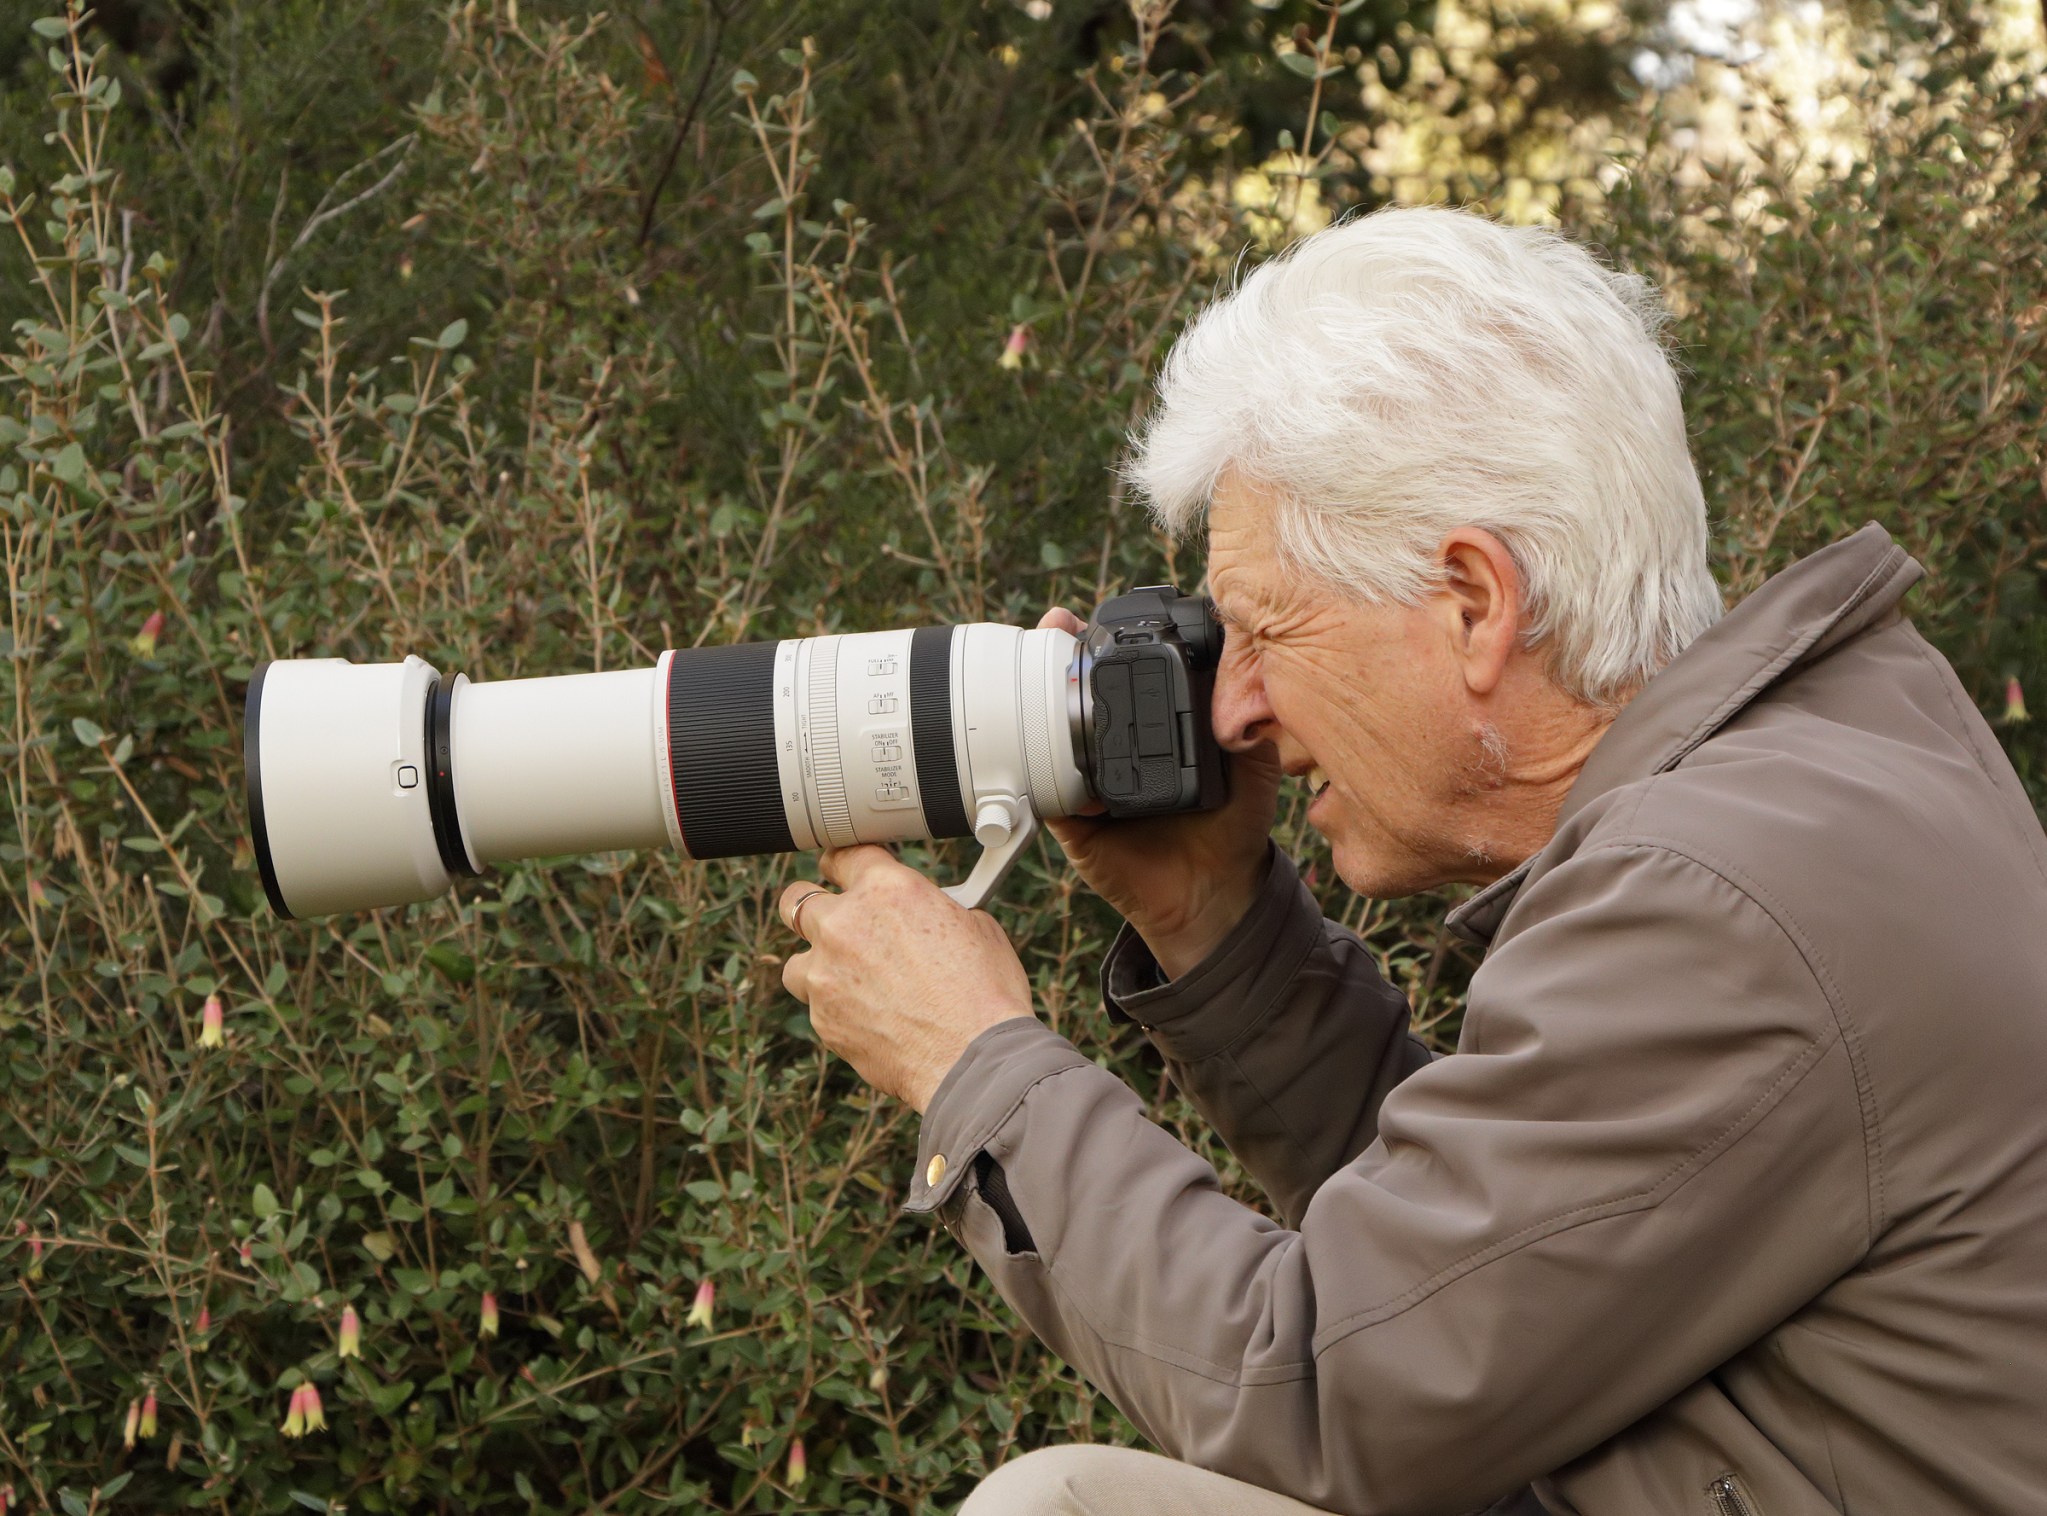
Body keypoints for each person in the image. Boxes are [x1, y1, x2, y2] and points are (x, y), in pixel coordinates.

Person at [773, 207, 2047, 1516]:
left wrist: (972, 1065)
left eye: (1266, 631)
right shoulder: (1816, 781)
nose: (1233, 712)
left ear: (1476, 606)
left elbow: (1333, 1385)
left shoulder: (1726, 901)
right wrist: (1217, 924)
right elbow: (1497, 1270)